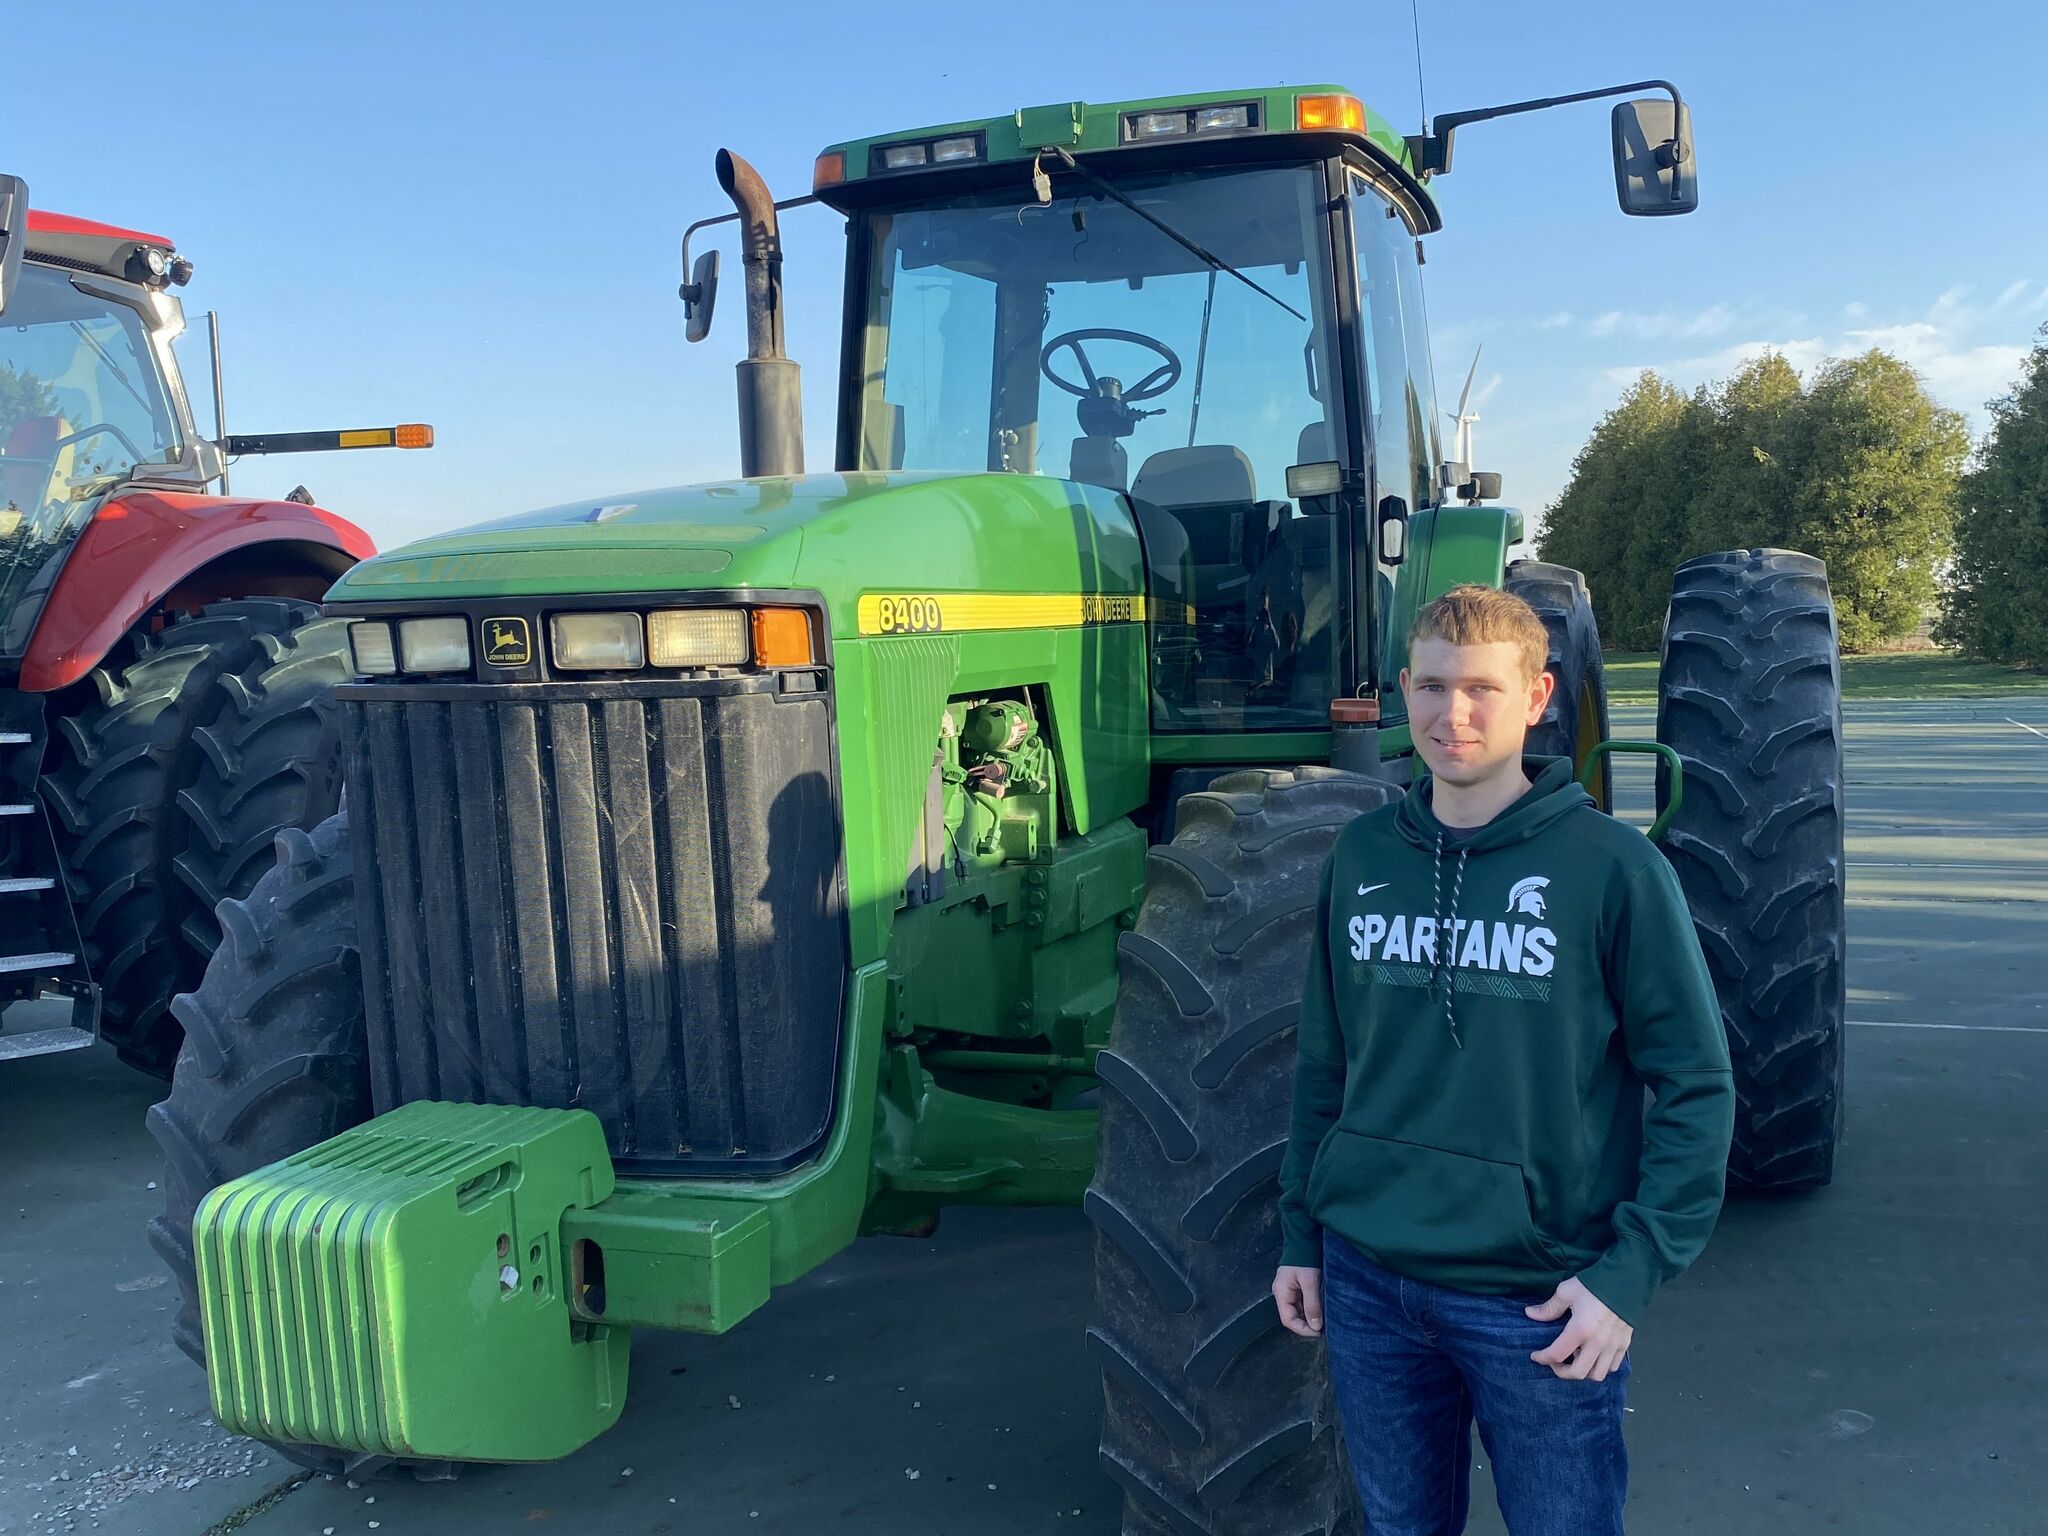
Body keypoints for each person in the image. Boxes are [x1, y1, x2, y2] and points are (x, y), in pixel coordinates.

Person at [1272, 584, 1735, 1536]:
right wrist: (1300, 1233)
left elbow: (1695, 1082)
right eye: (1434, 687)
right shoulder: (1360, 855)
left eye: (1484, 688)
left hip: (1539, 1302)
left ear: (1538, 697)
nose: (1455, 715)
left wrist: (1628, 1276)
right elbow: (1327, 1063)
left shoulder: (1611, 868)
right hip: (1367, 1278)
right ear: (1404, 689)